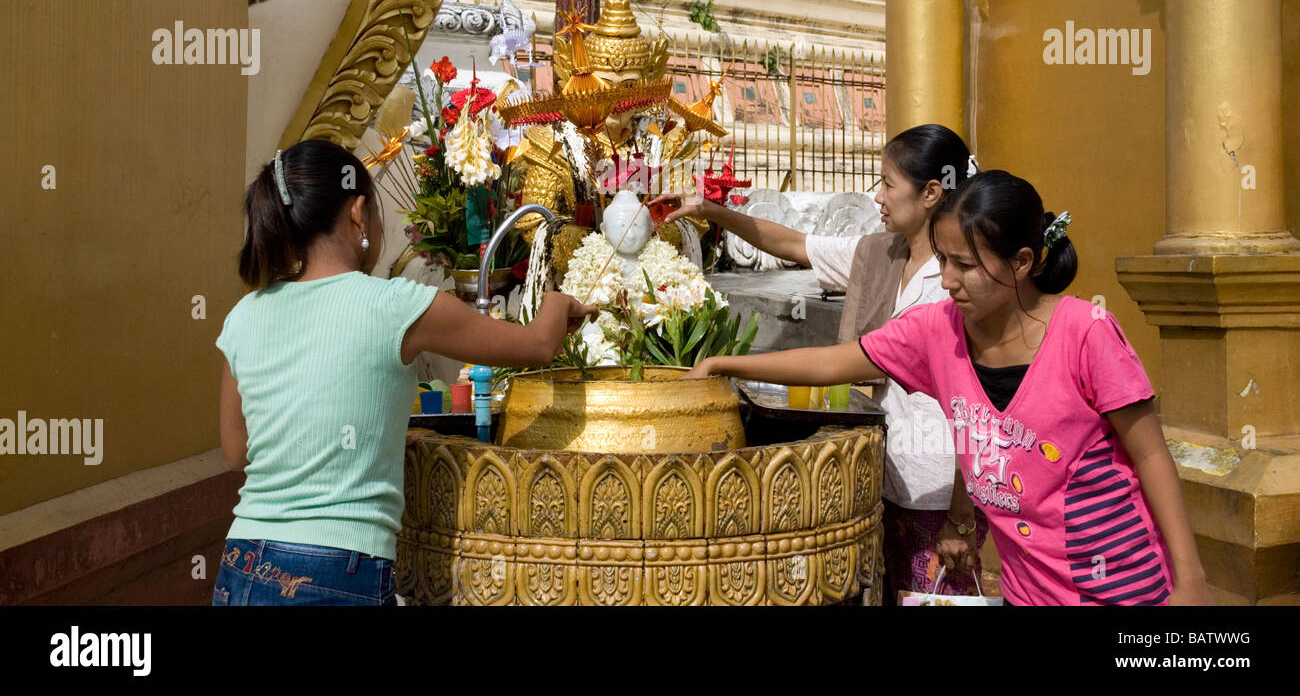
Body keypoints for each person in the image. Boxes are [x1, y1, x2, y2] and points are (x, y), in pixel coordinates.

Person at [692, 170, 1213, 606]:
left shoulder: (1087, 333)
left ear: (1023, 262)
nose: (946, 279)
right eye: (943, 259)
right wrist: (723, 364)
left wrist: (1191, 581)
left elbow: (1150, 457)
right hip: (1026, 592)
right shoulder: (936, 330)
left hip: (1121, 587)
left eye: (965, 264)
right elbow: (836, 361)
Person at [213, 138, 596, 606]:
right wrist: (557, 302)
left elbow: (238, 451)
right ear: (357, 214)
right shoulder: (393, 304)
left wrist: (379, 436)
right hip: (337, 567)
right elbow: (537, 345)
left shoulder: (246, 313)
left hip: (244, 560)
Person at [653, 123, 990, 603]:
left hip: (941, 490)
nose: (877, 197)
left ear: (932, 193)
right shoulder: (879, 253)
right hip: (883, 471)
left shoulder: (955, 282)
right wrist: (709, 211)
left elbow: (973, 406)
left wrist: (961, 513)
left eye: (889, 184)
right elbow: (794, 244)